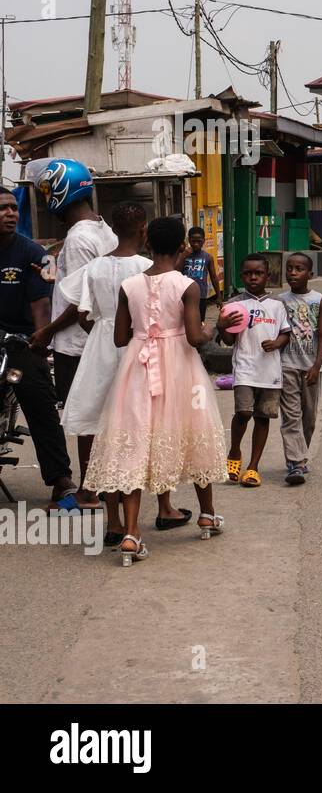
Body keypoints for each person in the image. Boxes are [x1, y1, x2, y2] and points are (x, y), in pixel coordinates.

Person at [82, 216, 236, 565]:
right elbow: (196, 337)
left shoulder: (129, 285)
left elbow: (120, 337)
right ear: (183, 247)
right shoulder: (187, 286)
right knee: (192, 432)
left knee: (133, 442)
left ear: (148, 243)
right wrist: (218, 327)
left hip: (137, 367)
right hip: (180, 368)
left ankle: (132, 535)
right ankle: (208, 514)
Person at [58, 202, 152, 542]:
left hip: (100, 348)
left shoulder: (95, 267)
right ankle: (131, 520)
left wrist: (101, 332)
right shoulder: (147, 267)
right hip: (135, 347)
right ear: (143, 231)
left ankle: (110, 517)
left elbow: (83, 313)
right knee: (132, 430)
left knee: (102, 430)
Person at [29, 158, 116, 504]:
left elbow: (82, 300)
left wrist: (46, 332)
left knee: (84, 418)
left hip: (77, 343)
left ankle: (90, 489)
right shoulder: (102, 228)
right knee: (100, 414)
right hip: (101, 338)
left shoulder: (79, 238)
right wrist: (55, 279)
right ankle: (102, 483)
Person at [0, 187, 80, 509]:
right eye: (2, 209)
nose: (10, 213)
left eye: (12, 208)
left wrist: (39, 341)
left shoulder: (36, 253)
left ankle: (61, 479)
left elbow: (41, 303)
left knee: (39, 398)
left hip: (20, 341)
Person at [221, 253, 290, 488]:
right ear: (242, 276)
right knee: (243, 413)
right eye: (248, 273)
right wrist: (222, 326)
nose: (253, 277)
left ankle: (253, 467)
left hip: (270, 373)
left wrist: (277, 343)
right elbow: (229, 340)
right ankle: (234, 451)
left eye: (258, 273)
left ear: (267, 276)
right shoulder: (234, 304)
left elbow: (285, 333)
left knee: (262, 418)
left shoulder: (278, 305)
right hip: (244, 369)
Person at [278, 252, 322, 486]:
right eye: (289, 268)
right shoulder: (280, 301)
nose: (293, 273)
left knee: (309, 418)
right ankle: (295, 463)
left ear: (310, 274)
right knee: (291, 417)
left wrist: (316, 366)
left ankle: (300, 455)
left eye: (299, 269)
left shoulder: (320, 300)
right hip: (286, 365)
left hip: (311, 367)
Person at [182, 226, 220, 322]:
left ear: (203, 241)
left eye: (199, 241)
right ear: (188, 240)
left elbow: (214, 277)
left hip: (201, 296)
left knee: (199, 321)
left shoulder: (207, 257)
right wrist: (183, 256)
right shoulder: (183, 255)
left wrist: (219, 297)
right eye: (193, 241)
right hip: (184, 296)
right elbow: (175, 272)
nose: (195, 244)